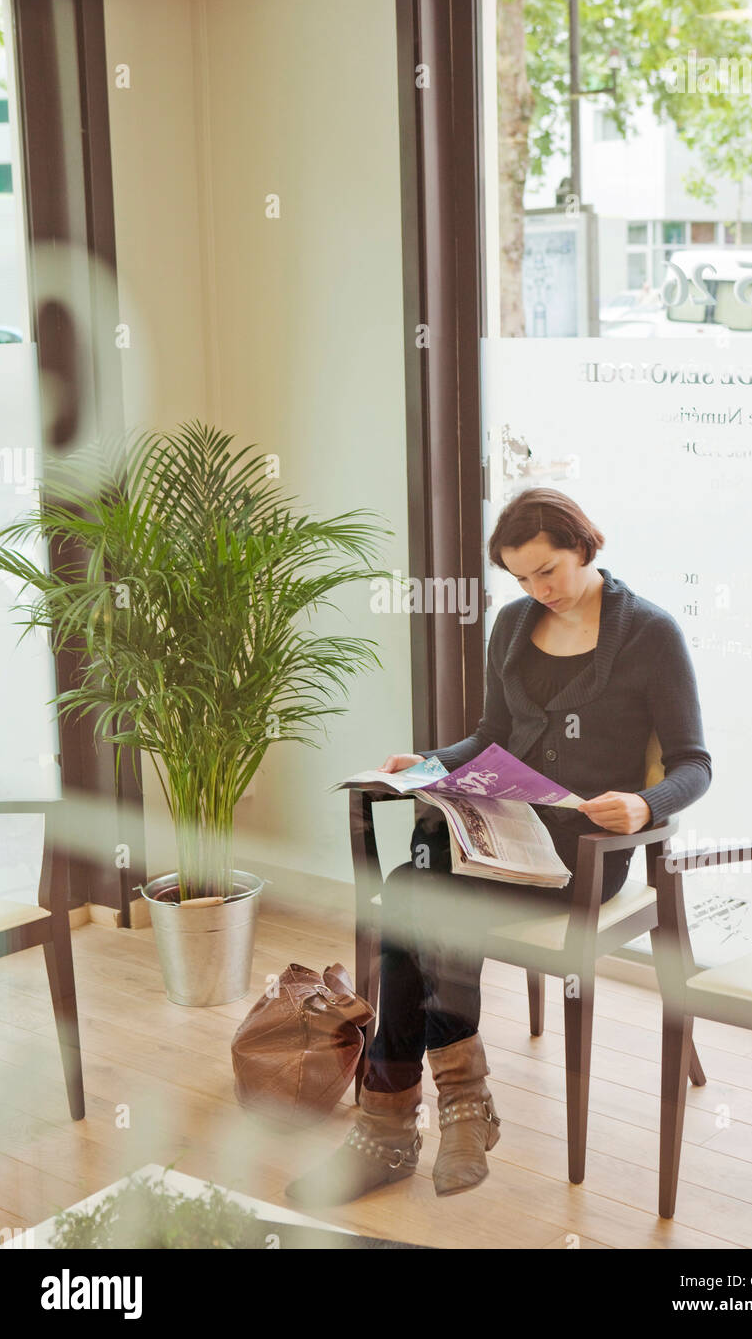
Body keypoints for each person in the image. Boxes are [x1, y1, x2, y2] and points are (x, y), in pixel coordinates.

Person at [286, 487, 712, 1207]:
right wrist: (426, 764)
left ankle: (394, 1123)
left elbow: (694, 764)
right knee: (418, 883)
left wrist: (643, 803)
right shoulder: (514, 625)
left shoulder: (650, 635)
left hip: (586, 856)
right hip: (502, 832)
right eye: (520, 578)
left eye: (548, 572)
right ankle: (456, 1109)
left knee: (415, 890)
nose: (536, 591)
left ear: (584, 546)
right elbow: (489, 737)